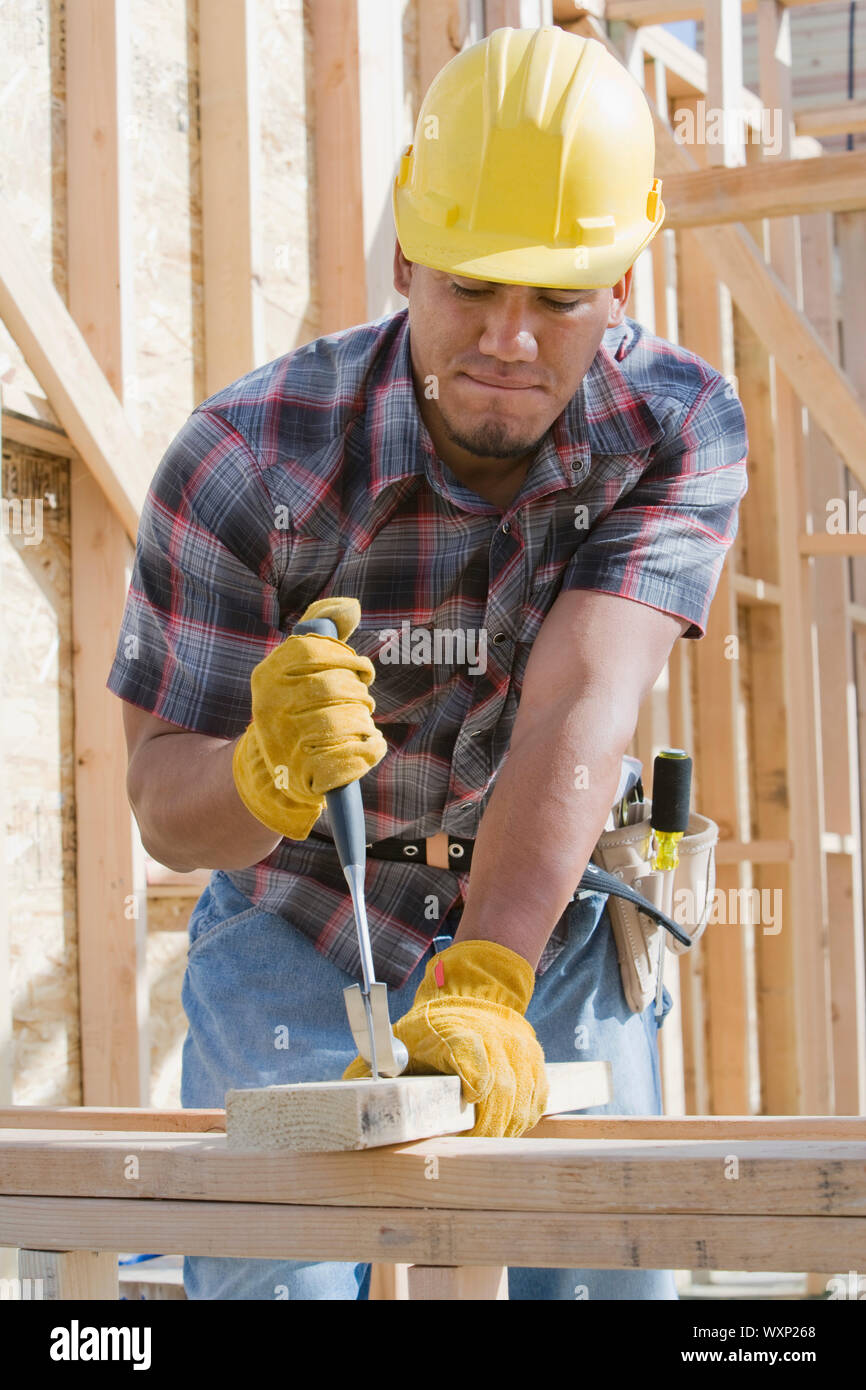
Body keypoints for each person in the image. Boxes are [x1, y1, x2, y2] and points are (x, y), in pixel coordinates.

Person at [109, 25, 748, 1300]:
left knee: (611, 1282)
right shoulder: (242, 459)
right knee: (268, 1291)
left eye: (558, 297)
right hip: (296, 912)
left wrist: (490, 971)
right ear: (405, 253)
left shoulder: (674, 425)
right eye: (468, 285)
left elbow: (582, 694)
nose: (508, 338)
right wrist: (259, 769)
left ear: (623, 278)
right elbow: (165, 814)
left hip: (549, 918)